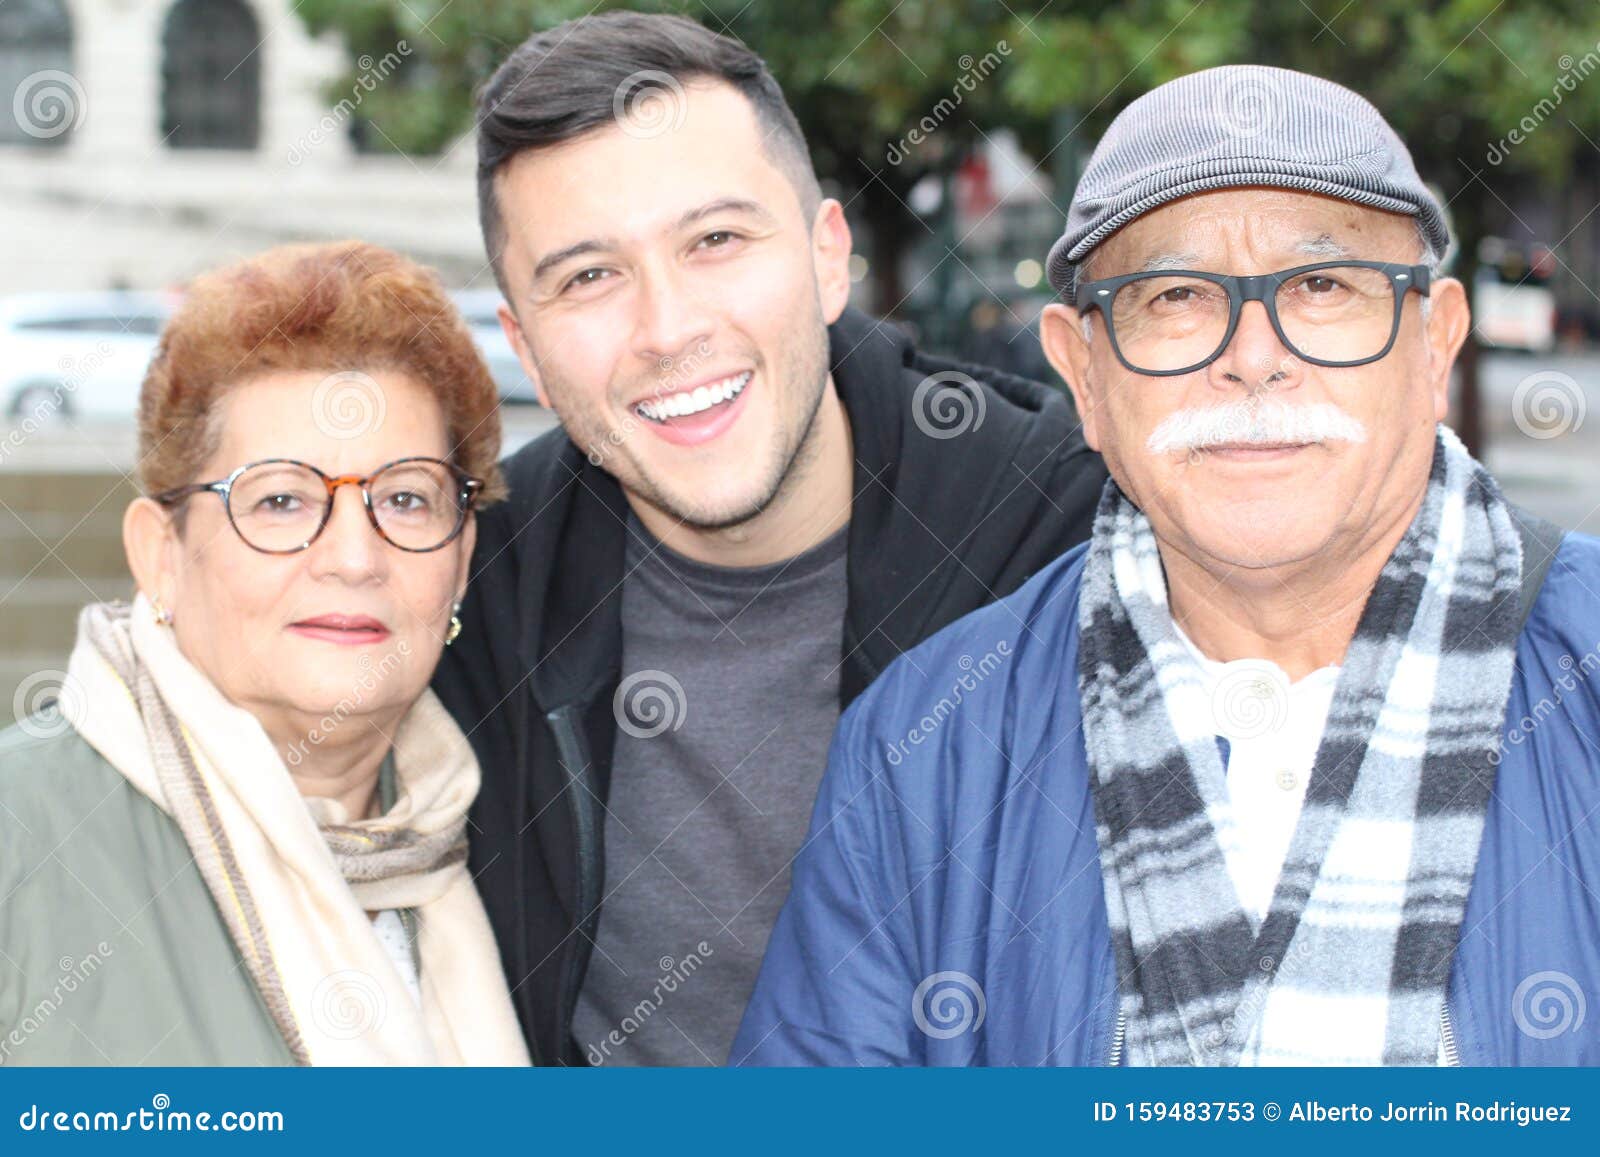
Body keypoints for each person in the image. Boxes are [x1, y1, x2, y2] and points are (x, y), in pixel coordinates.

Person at [735, 65, 1600, 1066]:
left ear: (1432, 345)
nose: (1253, 356)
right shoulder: (922, 747)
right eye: (1175, 296)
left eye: (1321, 285)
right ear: (1083, 374)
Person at [430, 11, 1107, 1066]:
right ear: (522, 340)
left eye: (716, 241)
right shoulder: (470, 586)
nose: (666, 327)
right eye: (588, 277)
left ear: (827, 257)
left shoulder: (1069, 524)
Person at [0, 242, 530, 1065]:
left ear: (460, 564)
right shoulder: (22, 839)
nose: (354, 557)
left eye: (405, 497)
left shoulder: (520, 850)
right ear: (162, 555)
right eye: (281, 499)